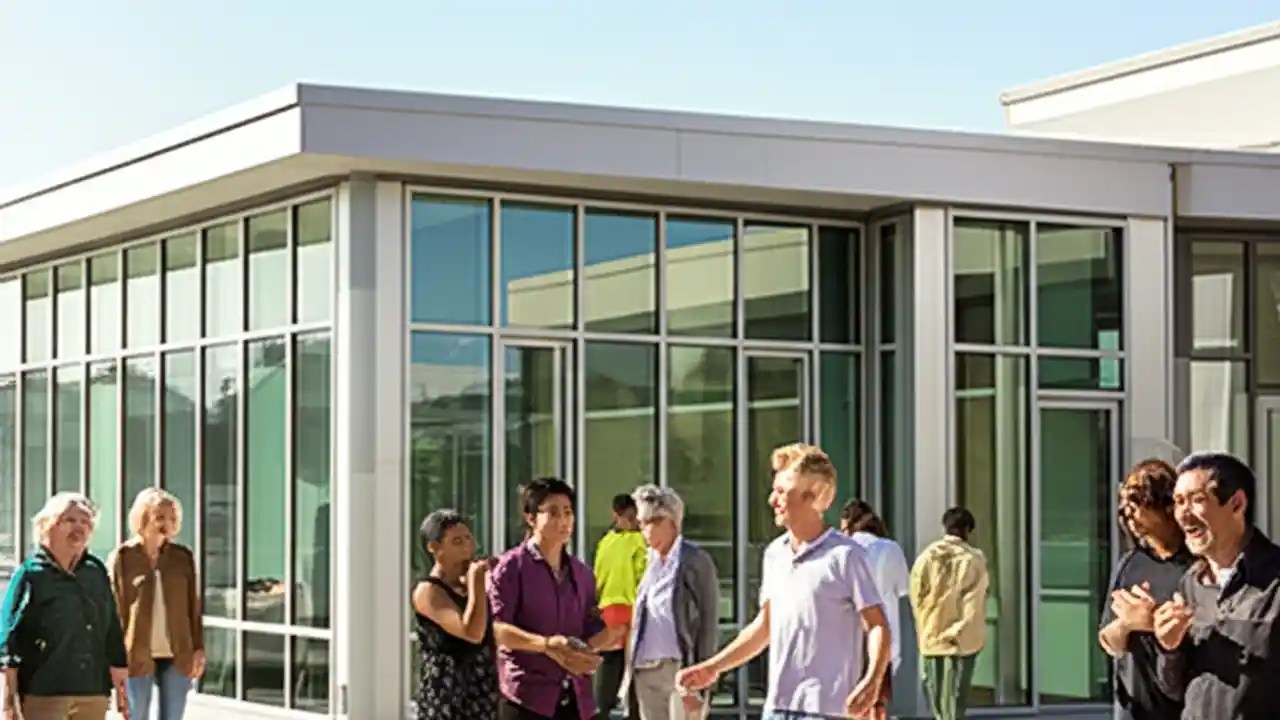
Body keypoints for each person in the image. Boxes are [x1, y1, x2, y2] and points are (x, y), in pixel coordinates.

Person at [676, 443, 890, 720]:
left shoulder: (846, 556)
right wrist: (714, 667)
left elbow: (877, 624)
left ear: (811, 496)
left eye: (781, 492)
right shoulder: (774, 555)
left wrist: (872, 681)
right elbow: (764, 627)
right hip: (777, 708)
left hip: (829, 710)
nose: (771, 500)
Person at [1153, 452, 1280, 719]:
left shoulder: (1273, 581)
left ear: (1236, 504)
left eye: (1197, 500)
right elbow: (1174, 689)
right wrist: (1169, 647)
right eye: (1178, 502)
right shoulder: (1190, 584)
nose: (1183, 515)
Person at [488, 478, 623, 720]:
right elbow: (497, 629)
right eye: (552, 513)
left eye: (568, 512)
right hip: (526, 698)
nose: (563, 521)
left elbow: (590, 628)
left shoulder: (583, 574)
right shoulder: (510, 568)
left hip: (576, 698)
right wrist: (546, 645)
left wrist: (601, 641)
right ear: (531, 518)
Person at [0, 493, 129, 720]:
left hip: (92, 691)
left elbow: (111, 628)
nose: (79, 527)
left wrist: (121, 681)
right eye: (70, 520)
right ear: (47, 526)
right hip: (44, 691)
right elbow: (9, 640)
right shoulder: (31, 574)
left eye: (86, 522)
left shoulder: (95, 572)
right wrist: (8, 700)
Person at [1097, 460, 1189, 720]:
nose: (1129, 516)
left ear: (1167, 506)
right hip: (1132, 710)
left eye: (1137, 504)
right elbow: (1108, 641)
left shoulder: (1197, 567)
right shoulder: (1131, 563)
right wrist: (1126, 625)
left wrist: (1152, 622)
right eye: (1125, 509)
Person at [620, 485, 718, 720]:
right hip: (645, 668)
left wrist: (703, 676)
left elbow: (708, 621)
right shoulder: (647, 562)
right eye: (641, 523)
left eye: (653, 521)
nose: (646, 530)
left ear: (673, 521)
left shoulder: (694, 560)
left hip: (679, 668)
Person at [109, 489, 205, 720]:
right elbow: (114, 608)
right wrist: (112, 655)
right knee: (136, 715)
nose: (167, 524)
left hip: (178, 651)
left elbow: (194, 606)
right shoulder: (124, 557)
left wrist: (198, 648)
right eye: (160, 517)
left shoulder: (182, 557)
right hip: (136, 653)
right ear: (143, 518)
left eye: (172, 519)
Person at [411, 509, 499, 719]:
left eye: (469, 539)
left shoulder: (468, 587)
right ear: (434, 548)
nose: (467, 548)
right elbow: (472, 632)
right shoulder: (428, 592)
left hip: (481, 692)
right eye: (457, 542)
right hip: (447, 699)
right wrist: (477, 582)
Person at [909, 507, 988, 720]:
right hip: (961, 643)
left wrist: (926, 626)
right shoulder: (974, 559)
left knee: (937, 705)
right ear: (967, 530)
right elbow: (974, 603)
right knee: (955, 703)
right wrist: (959, 631)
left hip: (931, 638)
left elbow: (916, 596)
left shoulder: (926, 557)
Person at [840, 499, 909, 720]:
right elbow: (903, 588)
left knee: (851, 701)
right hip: (883, 633)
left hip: (849, 633)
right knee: (878, 701)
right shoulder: (890, 548)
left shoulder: (842, 549)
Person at [593, 493, 647, 719]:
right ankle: (633, 712)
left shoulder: (605, 542)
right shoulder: (640, 541)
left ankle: (602, 709)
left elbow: (597, 574)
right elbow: (644, 574)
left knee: (609, 664)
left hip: (609, 608)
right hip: (631, 607)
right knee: (635, 665)